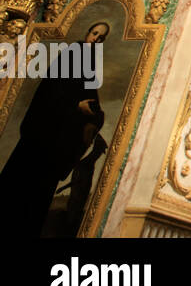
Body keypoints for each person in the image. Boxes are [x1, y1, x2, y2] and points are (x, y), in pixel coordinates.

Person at [0, 21, 109, 237]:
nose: (96, 39)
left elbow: (90, 95)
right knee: (19, 189)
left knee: (37, 199)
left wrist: (96, 114)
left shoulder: (89, 62)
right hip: (42, 135)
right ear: (88, 33)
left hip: (58, 142)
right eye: (94, 33)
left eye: (101, 38)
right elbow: (51, 90)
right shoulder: (73, 53)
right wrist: (76, 106)